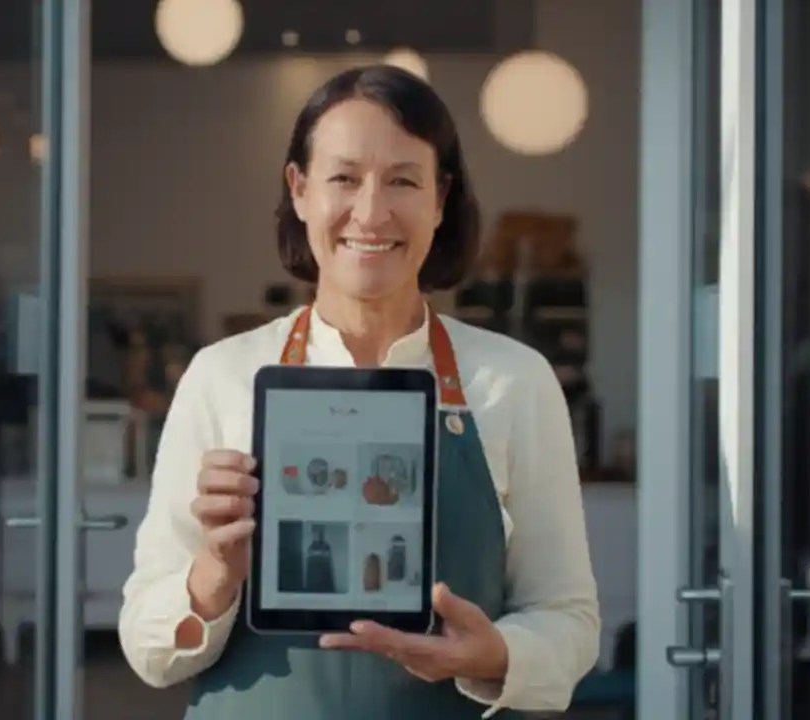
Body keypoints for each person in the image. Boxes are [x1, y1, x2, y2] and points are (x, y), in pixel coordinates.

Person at [118, 65, 600, 718]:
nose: (371, 213)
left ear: (440, 199)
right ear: (300, 190)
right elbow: (146, 647)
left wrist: (492, 655)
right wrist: (214, 576)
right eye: (344, 178)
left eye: (403, 180)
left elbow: (569, 619)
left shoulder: (513, 380)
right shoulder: (222, 375)